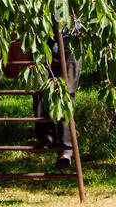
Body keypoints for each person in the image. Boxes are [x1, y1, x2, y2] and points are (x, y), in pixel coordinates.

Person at [33, 21, 82, 170]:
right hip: (43, 40)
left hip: (71, 39)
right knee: (39, 89)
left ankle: (66, 149)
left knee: (67, 92)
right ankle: (46, 136)